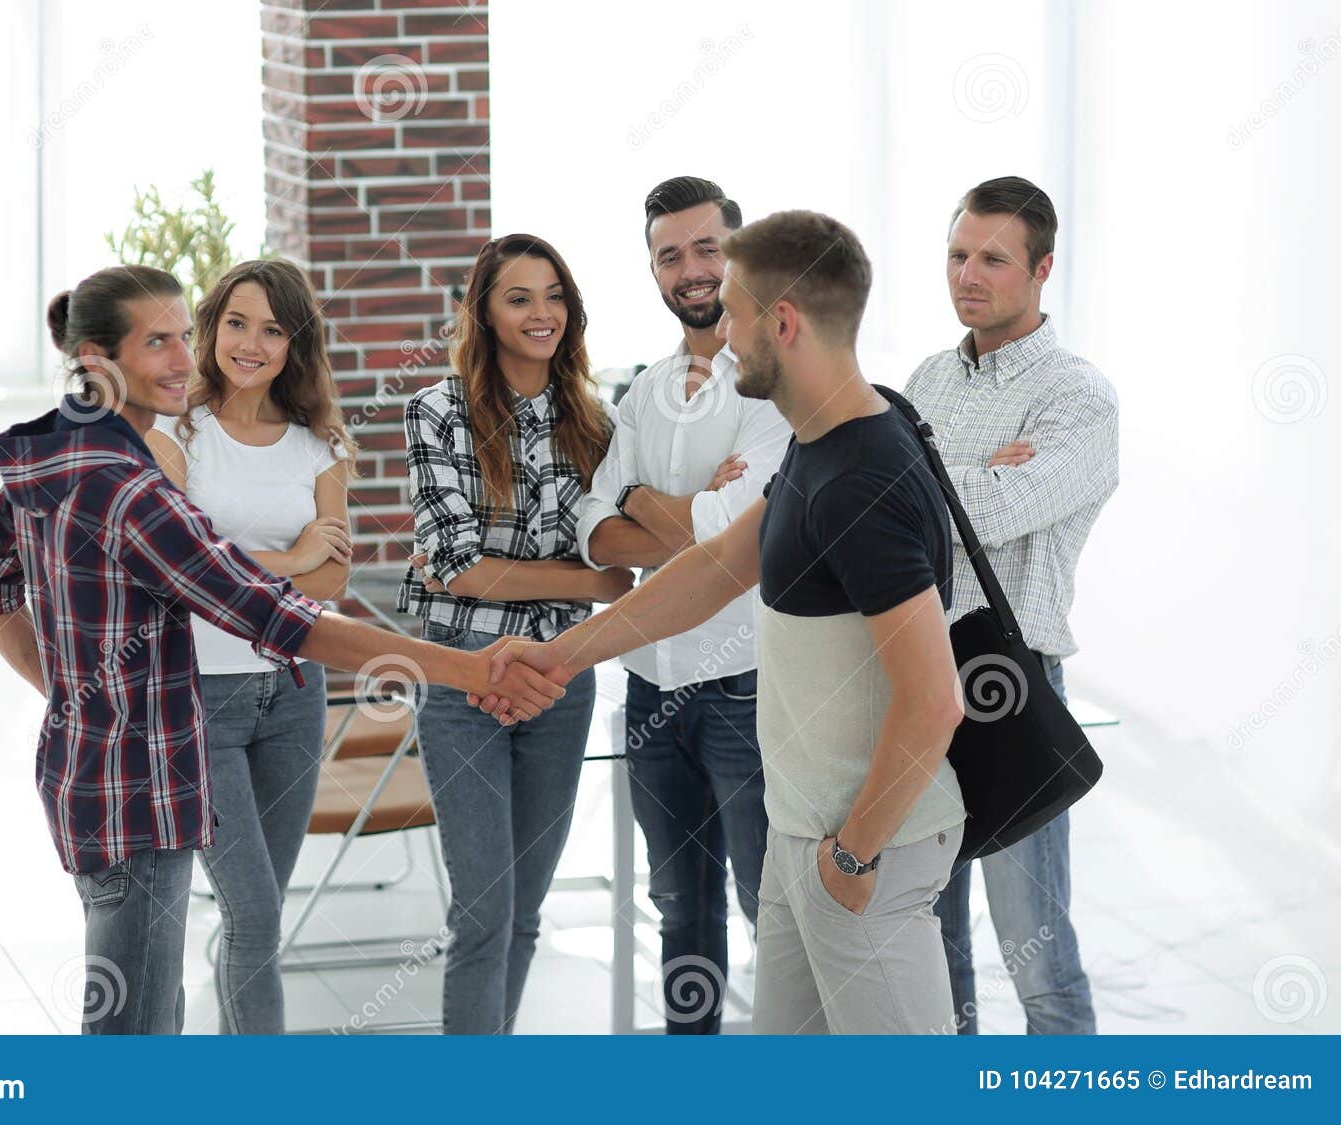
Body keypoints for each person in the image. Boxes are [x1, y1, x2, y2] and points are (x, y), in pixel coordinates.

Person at [0, 265, 566, 1034]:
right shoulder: (132, 485)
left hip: (116, 769)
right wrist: (469, 667)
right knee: (139, 1026)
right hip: (143, 783)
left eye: (184, 334)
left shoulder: (52, 451)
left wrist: (74, 698)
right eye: (159, 342)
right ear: (99, 360)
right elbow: (278, 614)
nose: (185, 356)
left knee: (145, 1013)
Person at [481, 211, 969, 1034]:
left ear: (784, 322)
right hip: (802, 835)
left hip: (866, 851)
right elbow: (709, 572)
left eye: (738, 314)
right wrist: (557, 656)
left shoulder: (864, 477)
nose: (725, 336)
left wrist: (851, 856)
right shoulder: (820, 445)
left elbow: (935, 700)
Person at [398, 234, 632, 1033]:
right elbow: (462, 571)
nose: (542, 314)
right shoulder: (437, 411)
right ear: (485, 313)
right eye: (520, 297)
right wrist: (589, 582)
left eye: (554, 295)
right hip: (465, 678)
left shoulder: (595, 423)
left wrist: (598, 579)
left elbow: (625, 560)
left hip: (558, 681)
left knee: (527, 911)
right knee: (484, 912)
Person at [572, 176, 790, 1032]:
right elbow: (591, 523)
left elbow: (739, 535)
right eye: (672, 255)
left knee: (768, 908)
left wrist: (651, 508)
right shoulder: (644, 391)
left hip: (744, 683)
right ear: (654, 270)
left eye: (707, 249)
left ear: (739, 253)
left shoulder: (774, 379)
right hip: (652, 685)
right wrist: (689, 507)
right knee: (679, 910)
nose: (692, 270)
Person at [905, 175, 1119, 1035]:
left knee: (1038, 949)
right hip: (915, 686)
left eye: (993, 258)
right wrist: (985, 470)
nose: (968, 274)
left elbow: (985, 515)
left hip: (1010, 684)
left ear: (1042, 270)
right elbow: (892, 523)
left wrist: (947, 490)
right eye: (958, 254)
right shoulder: (925, 376)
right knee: (931, 940)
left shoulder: (1079, 395)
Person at [142, 259, 353, 1034]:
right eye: (237, 322)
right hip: (202, 694)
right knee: (256, 916)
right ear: (211, 326)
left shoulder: (315, 445)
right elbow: (181, 570)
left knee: (255, 917)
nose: (251, 343)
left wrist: (285, 565)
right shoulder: (174, 437)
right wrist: (291, 559)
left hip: (296, 694)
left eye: (272, 329)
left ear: (295, 345)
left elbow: (333, 579)